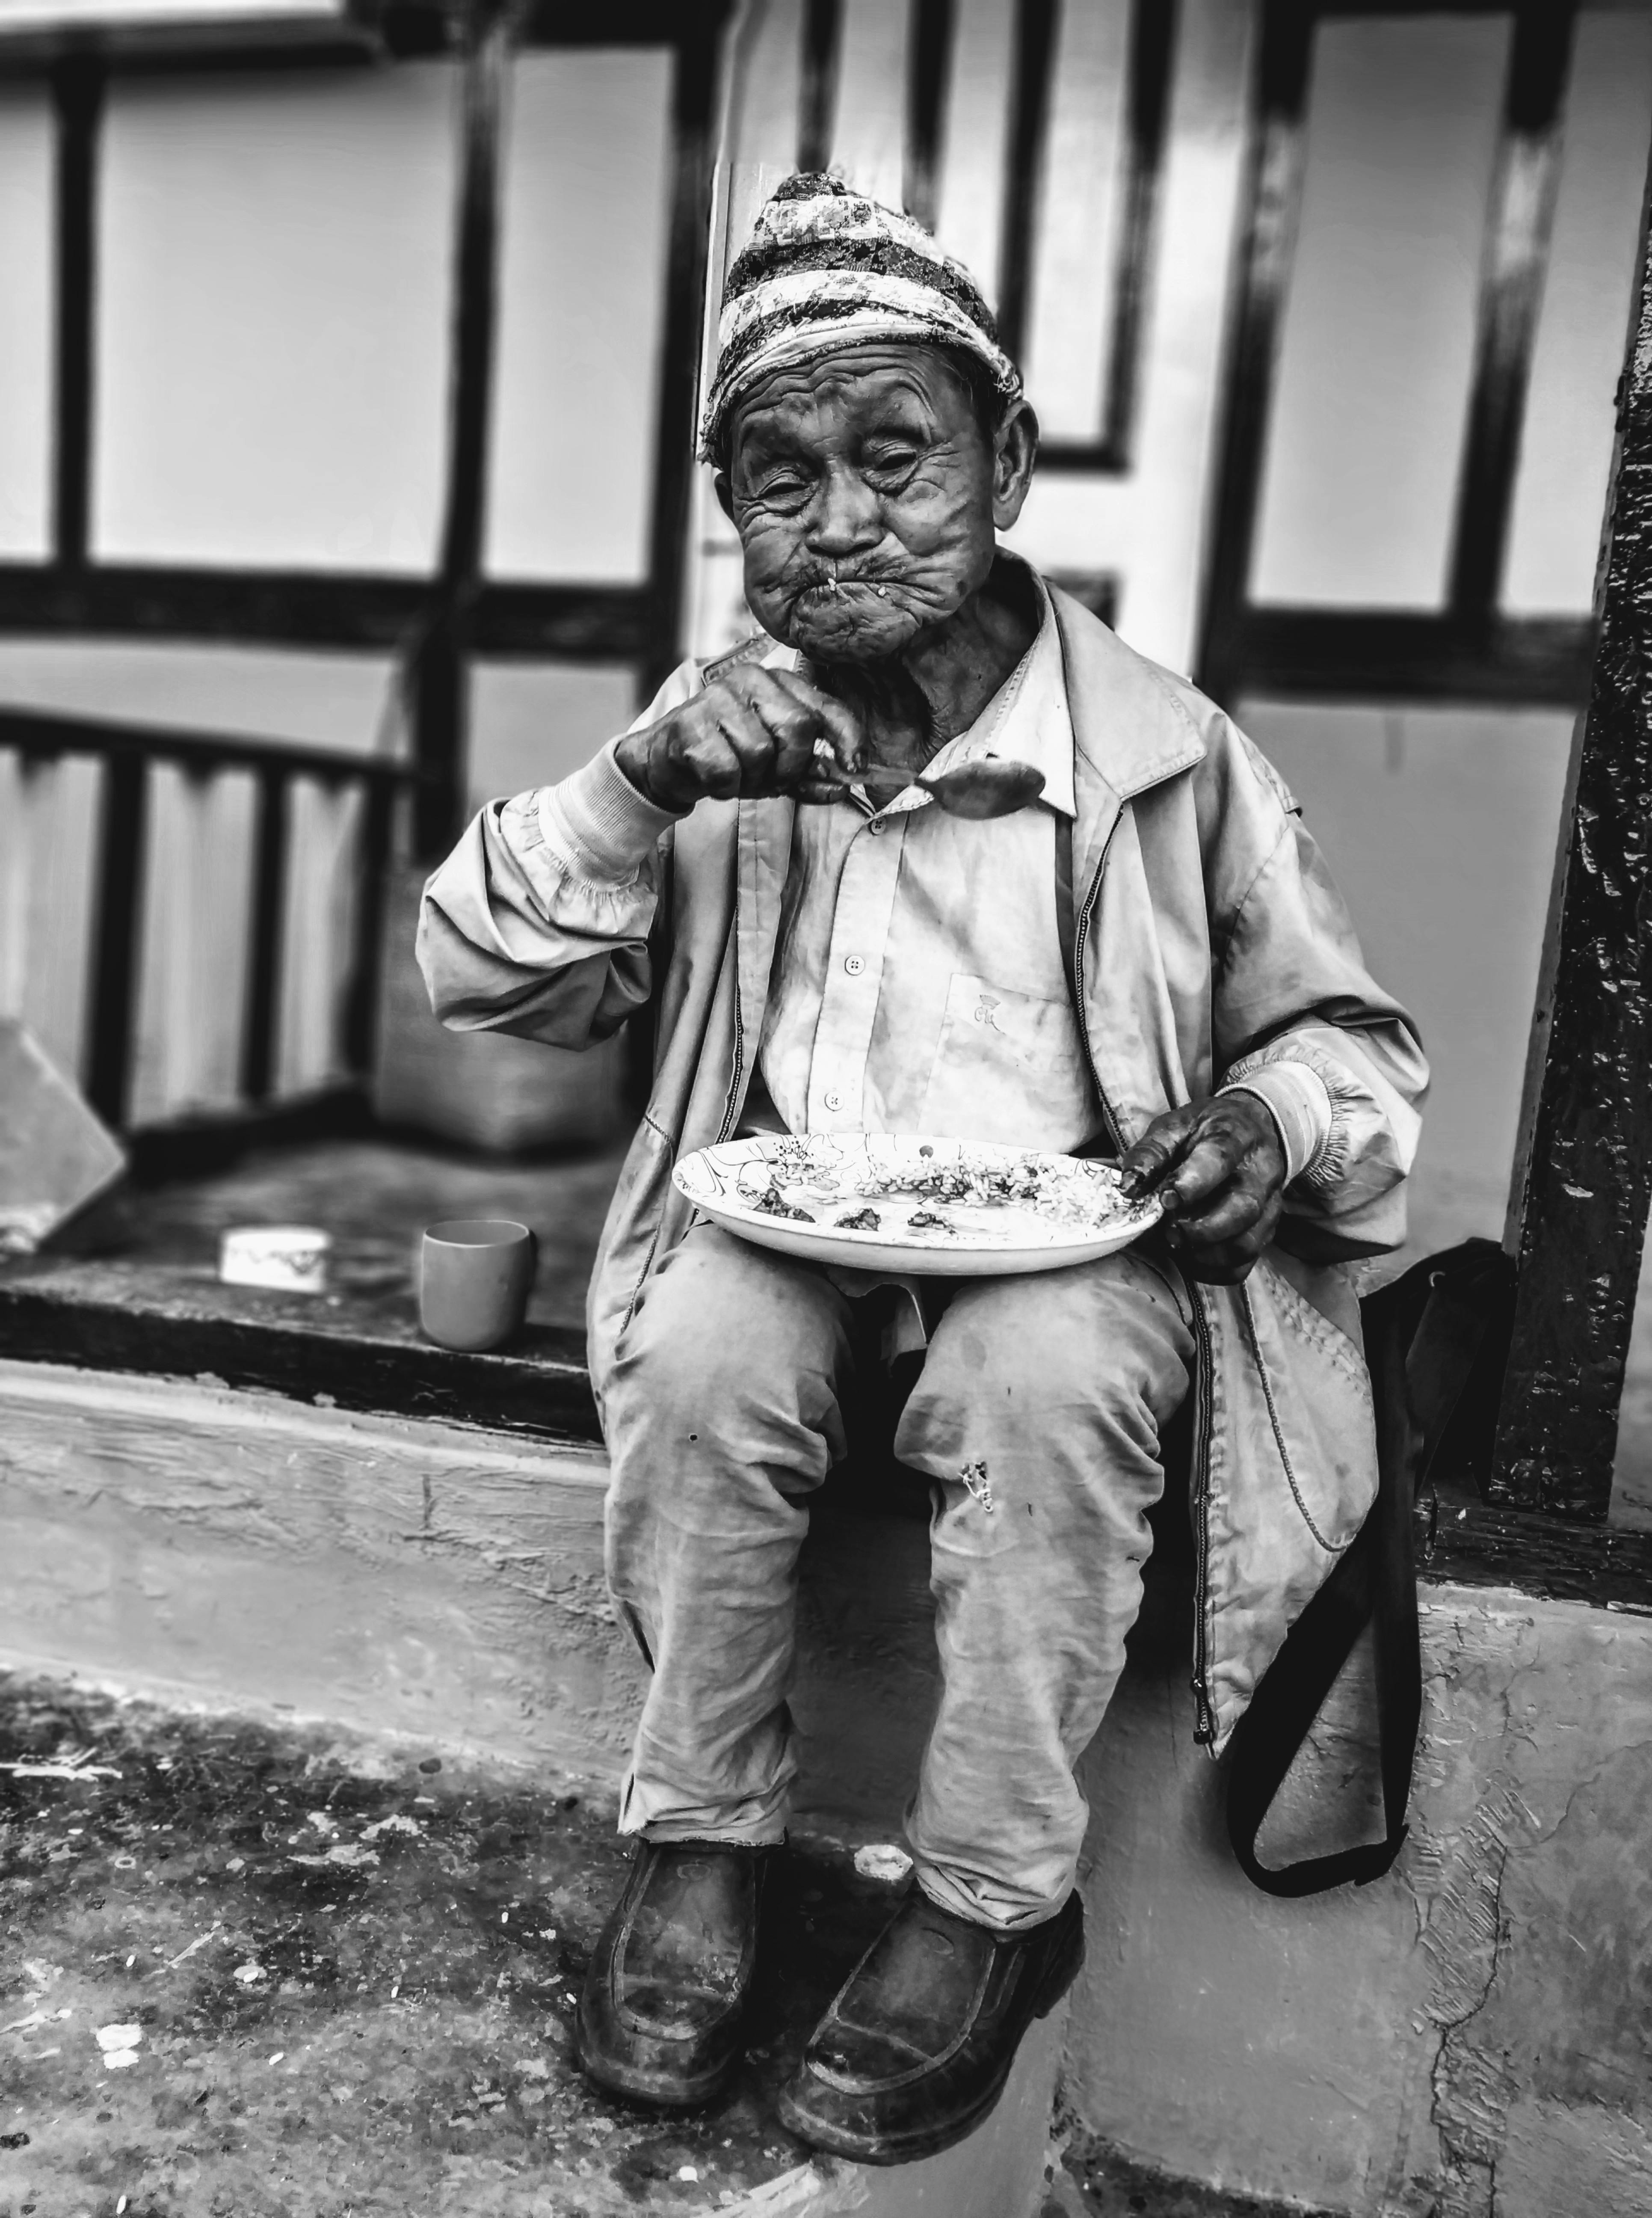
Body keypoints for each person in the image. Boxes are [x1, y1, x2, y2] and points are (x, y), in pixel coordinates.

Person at [418, 173, 1427, 2167]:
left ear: (1009, 462)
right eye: (777, 479)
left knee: (1042, 1385)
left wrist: (1260, 1126)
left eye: (897, 455)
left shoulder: (1170, 758)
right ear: (730, 515)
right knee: (705, 1356)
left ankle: (987, 1902)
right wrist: (636, 784)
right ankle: (698, 1841)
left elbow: (1356, 1053)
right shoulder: (718, 746)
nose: (843, 519)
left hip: (1072, 1247)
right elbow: (478, 977)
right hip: (787, 1224)